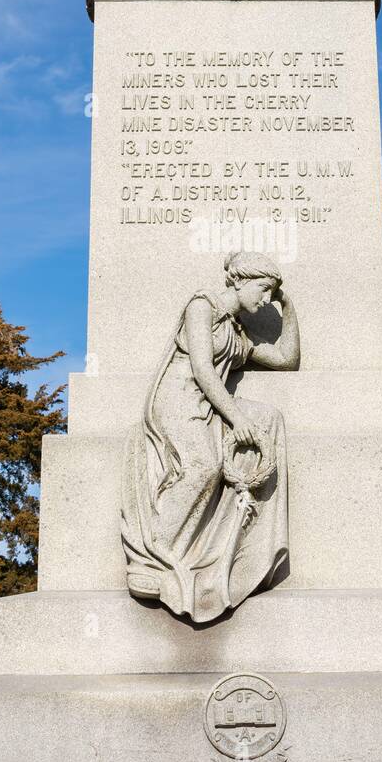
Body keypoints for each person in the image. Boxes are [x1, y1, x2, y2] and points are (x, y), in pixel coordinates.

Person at [121, 250, 300, 622]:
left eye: (270, 293)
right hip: (177, 398)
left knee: (270, 417)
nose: (265, 300)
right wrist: (236, 419)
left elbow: (286, 358)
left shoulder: (237, 333)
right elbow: (202, 369)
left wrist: (288, 303)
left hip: (210, 405)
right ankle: (153, 558)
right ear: (240, 279)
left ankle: (245, 551)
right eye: (263, 289)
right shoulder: (202, 306)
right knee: (204, 466)